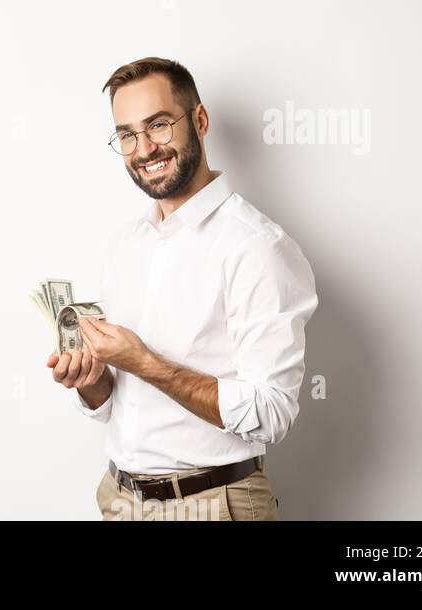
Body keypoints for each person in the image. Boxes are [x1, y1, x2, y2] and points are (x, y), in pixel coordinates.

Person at [48, 57, 318, 521]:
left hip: (213, 505)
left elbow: (272, 414)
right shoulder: (124, 245)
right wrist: (94, 384)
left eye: (158, 125)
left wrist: (147, 363)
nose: (144, 147)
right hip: (120, 500)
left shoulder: (257, 248)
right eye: (128, 134)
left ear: (200, 120)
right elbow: (120, 405)